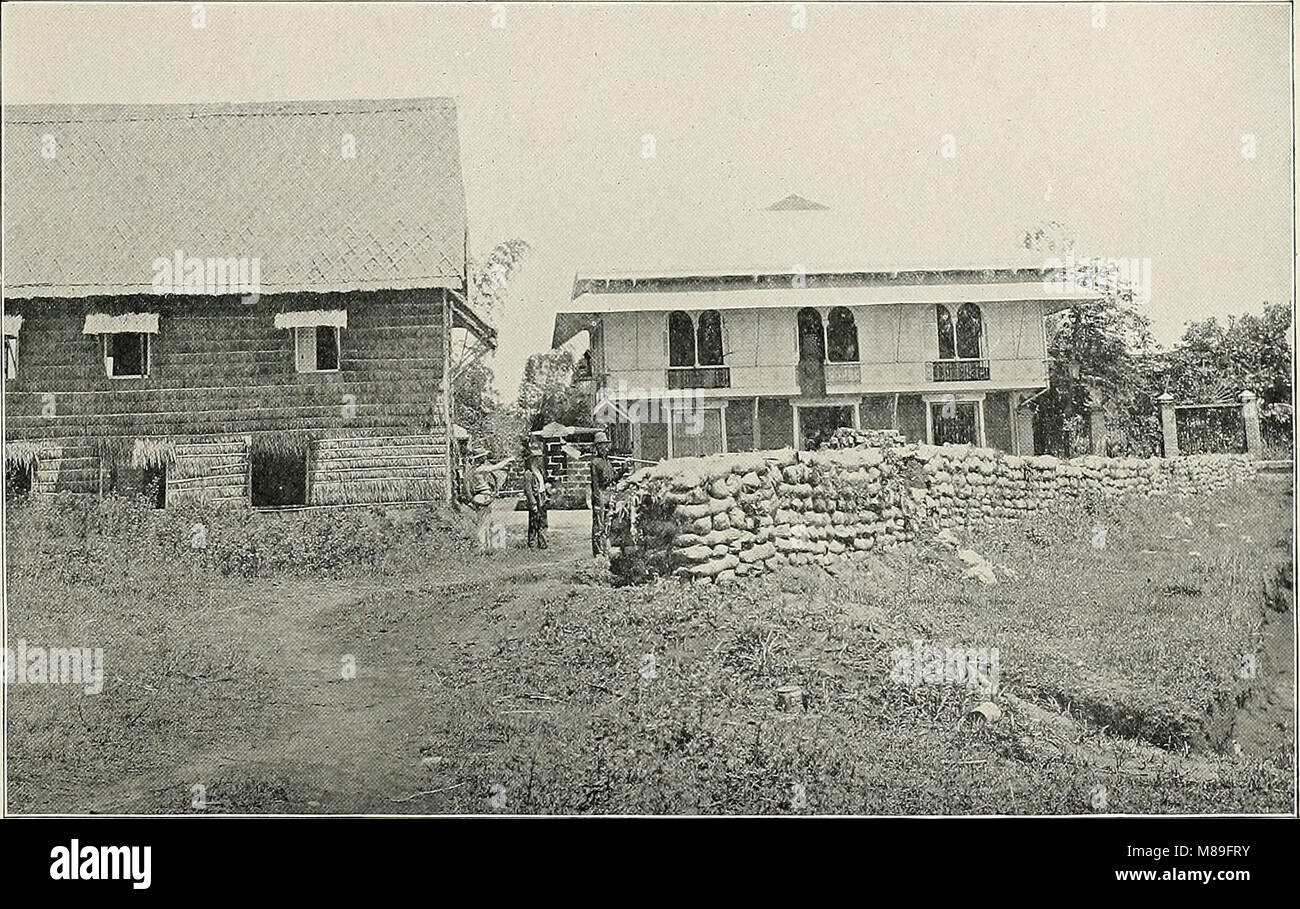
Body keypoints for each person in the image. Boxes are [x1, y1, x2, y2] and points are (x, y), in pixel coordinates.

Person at [462, 446, 496, 553]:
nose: (485, 458)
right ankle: (481, 547)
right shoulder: (480, 469)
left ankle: (486, 547)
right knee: (482, 524)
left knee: (485, 523)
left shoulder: (472, 470)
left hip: (480, 496)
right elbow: (495, 468)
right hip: (483, 496)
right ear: (480, 458)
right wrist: (507, 460)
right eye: (483, 457)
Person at [589, 430, 616, 558]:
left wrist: (624, 469)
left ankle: (606, 550)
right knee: (599, 526)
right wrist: (597, 501)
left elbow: (613, 478)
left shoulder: (607, 462)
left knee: (608, 524)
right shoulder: (595, 462)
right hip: (600, 495)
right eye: (602, 445)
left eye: (606, 445)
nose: (605, 448)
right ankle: (598, 552)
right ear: (597, 447)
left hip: (608, 494)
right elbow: (595, 484)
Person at [522, 445, 548, 549]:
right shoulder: (528, 473)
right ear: (531, 459)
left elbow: (542, 484)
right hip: (535, 498)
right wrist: (533, 503)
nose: (539, 460)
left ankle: (542, 542)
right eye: (536, 458)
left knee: (543, 521)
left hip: (541, 497)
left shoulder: (539, 471)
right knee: (534, 521)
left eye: (539, 457)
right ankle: (532, 543)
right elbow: (528, 490)